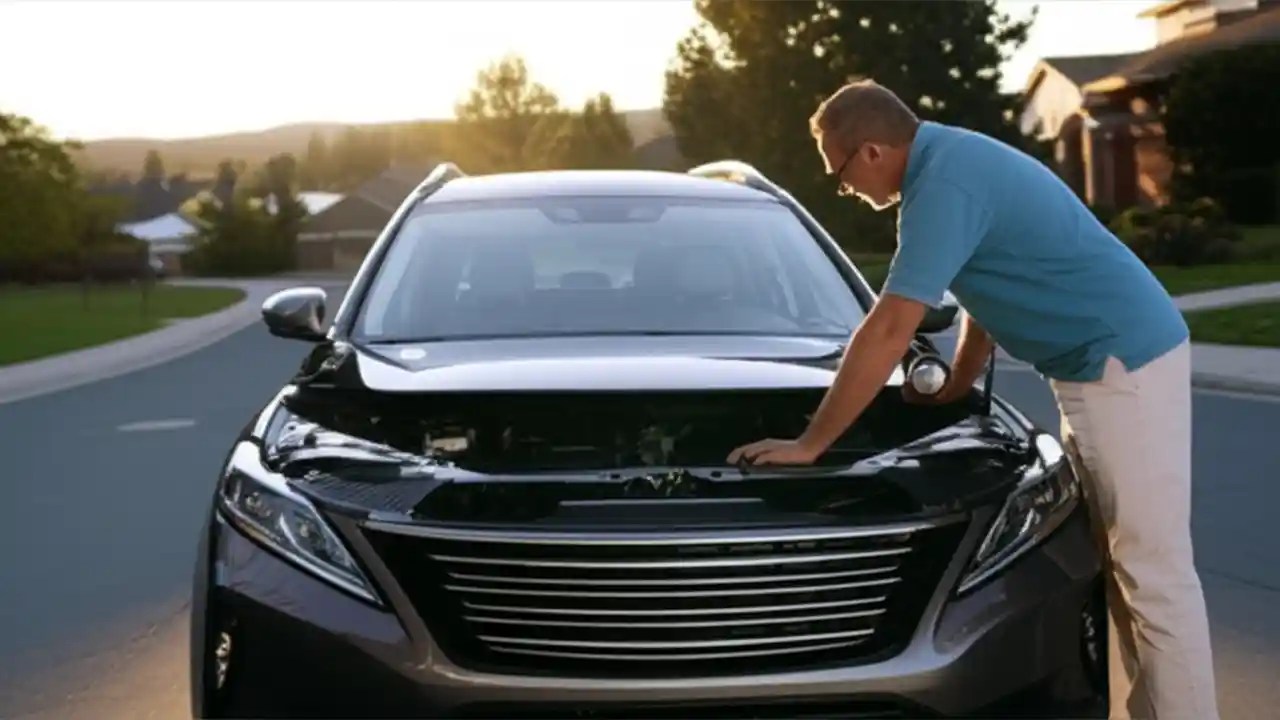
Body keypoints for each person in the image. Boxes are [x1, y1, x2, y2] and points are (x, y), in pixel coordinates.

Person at [726, 79, 1218, 720]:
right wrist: (959, 382)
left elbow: (890, 325)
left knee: (1154, 576)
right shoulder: (950, 167)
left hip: (1122, 365)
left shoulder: (944, 186)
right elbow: (986, 286)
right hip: (1097, 369)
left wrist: (811, 444)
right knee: (1125, 574)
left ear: (871, 151)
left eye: (839, 172)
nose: (844, 188)